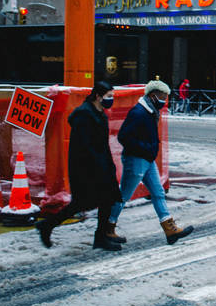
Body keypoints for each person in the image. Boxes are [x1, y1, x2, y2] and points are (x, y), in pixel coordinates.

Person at [35, 81, 123, 251]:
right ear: (98, 96)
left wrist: (108, 165)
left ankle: (101, 237)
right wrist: (98, 166)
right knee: (82, 203)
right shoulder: (84, 115)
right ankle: (48, 226)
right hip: (86, 168)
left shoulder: (100, 113)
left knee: (107, 199)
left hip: (101, 165)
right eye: (108, 96)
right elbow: (83, 146)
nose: (111, 100)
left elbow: (102, 144)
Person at [107, 79, 194, 245]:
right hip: (137, 160)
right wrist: (144, 148)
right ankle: (108, 227)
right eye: (163, 97)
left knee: (158, 193)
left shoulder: (151, 110)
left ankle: (170, 229)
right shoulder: (139, 113)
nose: (165, 101)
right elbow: (123, 136)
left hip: (146, 159)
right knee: (124, 195)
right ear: (153, 95)